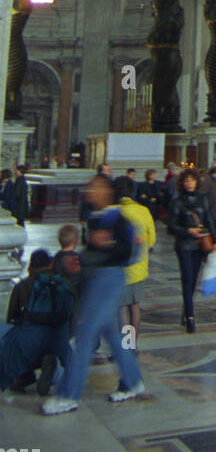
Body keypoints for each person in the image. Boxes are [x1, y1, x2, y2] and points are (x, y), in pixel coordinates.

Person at [41, 173, 145, 414]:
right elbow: (94, 251)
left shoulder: (118, 218)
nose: (90, 192)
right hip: (97, 278)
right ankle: (132, 380)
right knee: (112, 334)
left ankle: (68, 394)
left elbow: (127, 250)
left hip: (109, 279)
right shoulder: (95, 218)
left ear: (106, 192)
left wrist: (106, 244)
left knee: (85, 334)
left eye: (95, 188)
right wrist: (79, 260)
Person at [1, 251, 74, 398]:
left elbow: (11, 318)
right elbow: (73, 316)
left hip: (29, 342)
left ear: (31, 267)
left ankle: (23, 375)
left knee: (8, 337)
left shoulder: (23, 285)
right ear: (51, 264)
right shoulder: (65, 284)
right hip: (59, 342)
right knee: (61, 357)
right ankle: (50, 365)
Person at [167, 167, 216, 333]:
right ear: (182, 183)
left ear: (197, 182)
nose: (189, 183)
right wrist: (187, 231)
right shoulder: (177, 202)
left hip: (200, 244)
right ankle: (190, 316)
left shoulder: (203, 198)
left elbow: (209, 219)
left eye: (192, 180)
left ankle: (186, 308)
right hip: (184, 244)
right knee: (187, 278)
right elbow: (171, 226)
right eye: (186, 181)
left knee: (194, 279)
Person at [114, 175, 156, 347]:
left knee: (122, 308)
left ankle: (126, 345)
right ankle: (132, 345)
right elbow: (152, 239)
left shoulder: (114, 211)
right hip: (139, 266)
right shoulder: (143, 211)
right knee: (135, 306)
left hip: (120, 268)